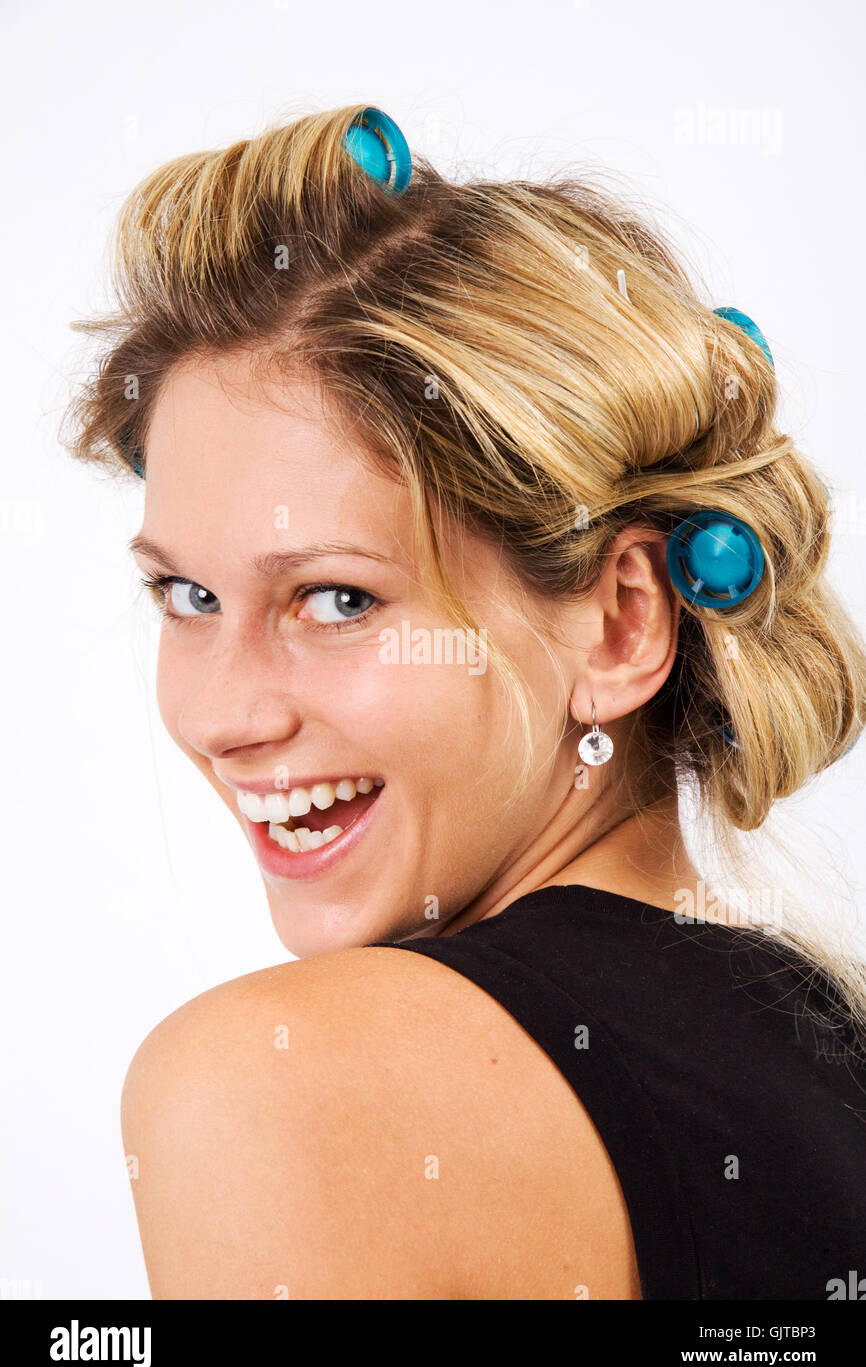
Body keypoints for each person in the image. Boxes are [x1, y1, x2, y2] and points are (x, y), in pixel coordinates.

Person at [63, 105, 866, 1300]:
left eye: (336, 599)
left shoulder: (273, 1086)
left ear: (619, 622)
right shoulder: (826, 1062)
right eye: (186, 593)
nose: (225, 713)